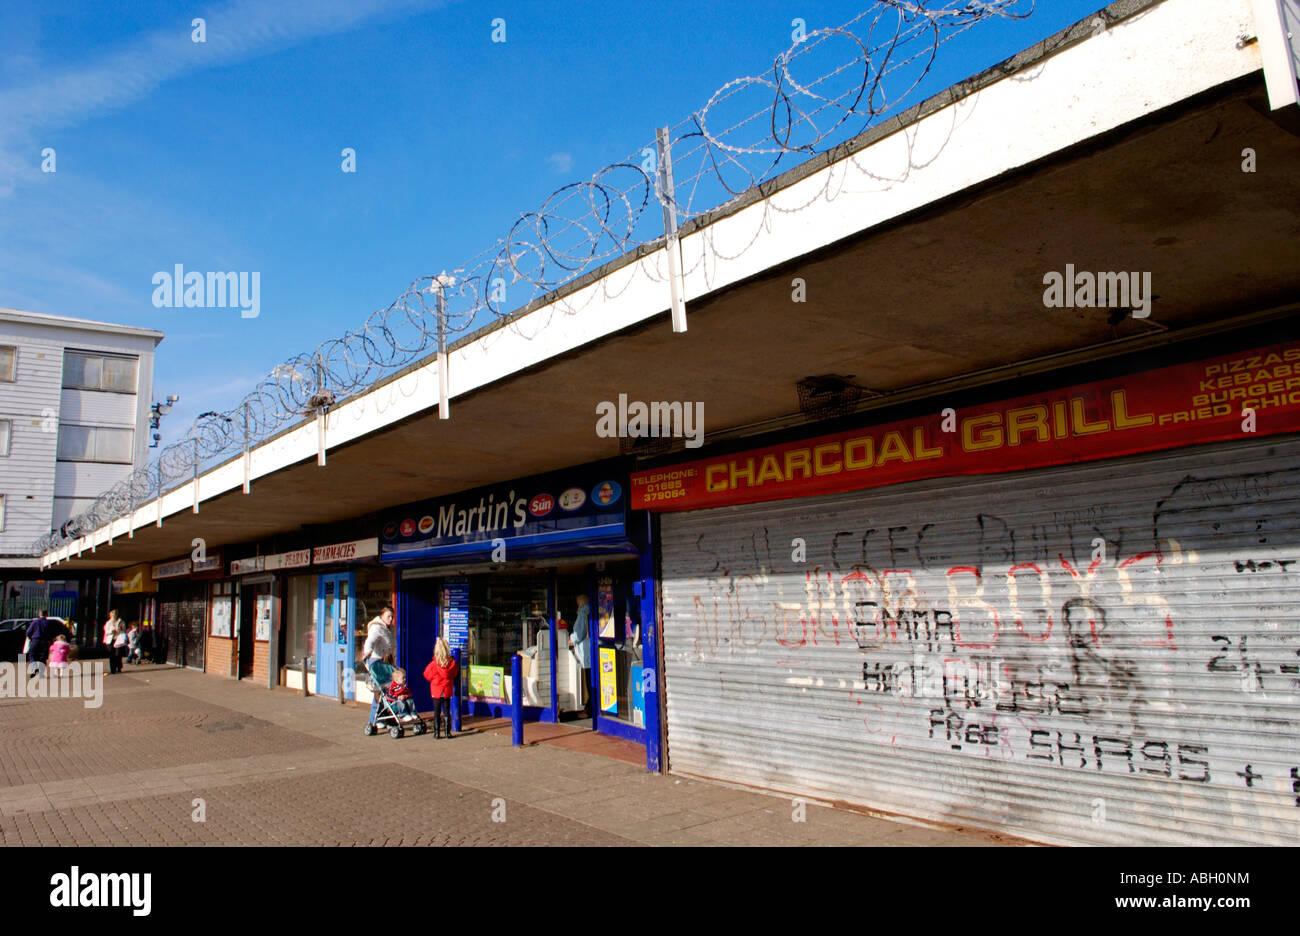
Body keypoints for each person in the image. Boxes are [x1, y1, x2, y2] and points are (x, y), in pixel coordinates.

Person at [363, 606, 396, 729]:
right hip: (376, 661)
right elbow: (370, 640)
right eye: (388, 616)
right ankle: (374, 719)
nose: (391, 619)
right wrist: (367, 652)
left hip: (387, 661)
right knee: (379, 691)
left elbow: (393, 645)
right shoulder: (377, 627)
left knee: (389, 690)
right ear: (382, 616)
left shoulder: (390, 629)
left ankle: (386, 717)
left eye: (392, 616)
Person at [423, 638, 460, 739]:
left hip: (436, 691)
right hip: (447, 690)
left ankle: (437, 733)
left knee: (437, 712)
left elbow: (426, 675)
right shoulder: (452, 664)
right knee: (447, 711)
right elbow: (455, 673)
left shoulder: (433, 665)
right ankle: (447, 732)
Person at [567, 594, 592, 715]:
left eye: (578, 603)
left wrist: (571, 638)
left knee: (590, 682)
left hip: (586, 653)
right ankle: (591, 708)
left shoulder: (583, 612)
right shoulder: (593, 610)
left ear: (581, 603)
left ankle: (590, 709)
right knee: (593, 680)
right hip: (593, 651)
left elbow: (579, 633)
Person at [24, 609, 64, 676]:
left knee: (32, 655)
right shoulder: (49, 623)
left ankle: (33, 668)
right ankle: (40, 673)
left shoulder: (34, 622)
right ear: (47, 615)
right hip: (45, 642)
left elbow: (28, 632)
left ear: (39, 615)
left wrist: (31, 638)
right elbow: (53, 633)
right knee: (43, 656)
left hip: (35, 641)